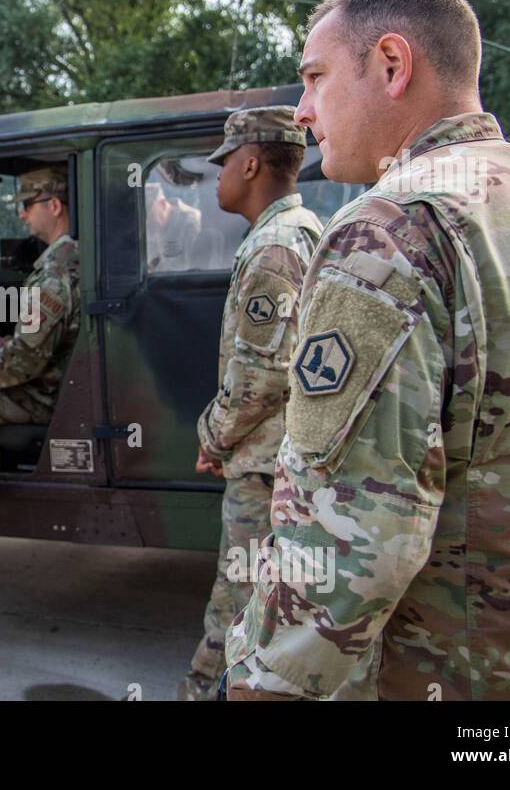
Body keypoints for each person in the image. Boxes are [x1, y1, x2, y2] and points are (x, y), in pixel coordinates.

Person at [225, 0, 510, 700]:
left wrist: (261, 684)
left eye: (315, 78)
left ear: (391, 65)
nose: (305, 111)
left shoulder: (393, 229)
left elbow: (356, 536)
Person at [179, 106, 323, 701]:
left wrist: (212, 436)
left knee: (236, 609)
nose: (217, 177)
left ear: (252, 162)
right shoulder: (304, 230)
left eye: (223, 163)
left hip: (265, 468)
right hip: (277, 458)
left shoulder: (274, 247)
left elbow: (261, 374)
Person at [0, 166, 81, 427]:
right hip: (58, 386)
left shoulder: (54, 275)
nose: (21, 214)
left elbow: (20, 363)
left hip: (40, 396)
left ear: (54, 206)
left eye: (28, 205)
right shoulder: (75, 257)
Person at [144, 181, 204, 273]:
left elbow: (187, 266)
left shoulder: (190, 222)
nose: (147, 224)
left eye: (150, 216)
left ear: (162, 204)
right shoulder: (156, 227)